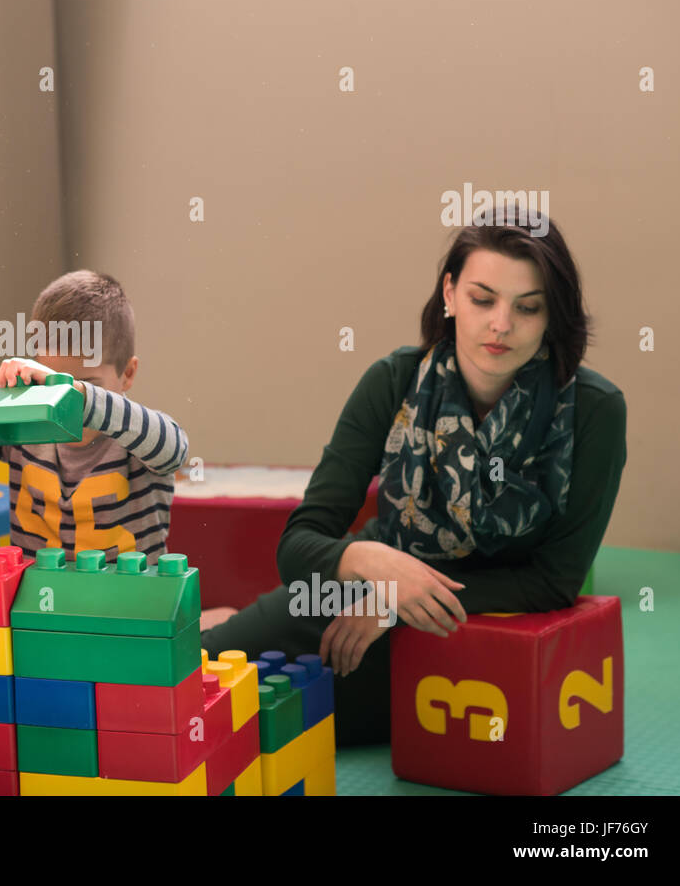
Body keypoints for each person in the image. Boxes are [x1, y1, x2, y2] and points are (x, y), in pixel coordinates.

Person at [200, 206, 627, 746]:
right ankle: (223, 621)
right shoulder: (393, 379)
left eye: (528, 307)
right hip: (356, 594)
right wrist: (371, 567)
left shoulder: (595, 409)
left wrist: (399, 600)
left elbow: (554, 580)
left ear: (552, 317)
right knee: (195, 683)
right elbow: (300, 544)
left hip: (480, 618)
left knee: (283, 728)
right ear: (449, 294)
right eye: (482, 299)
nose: (501, 324)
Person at [0, 270, 189, 562]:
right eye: (49, 382)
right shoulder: (23, 428)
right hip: (39, 603)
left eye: (85, 385)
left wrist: (77, 395)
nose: (67, 406)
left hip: (131, 603)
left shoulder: (137, 435)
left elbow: (175, 450)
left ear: (127, 374)